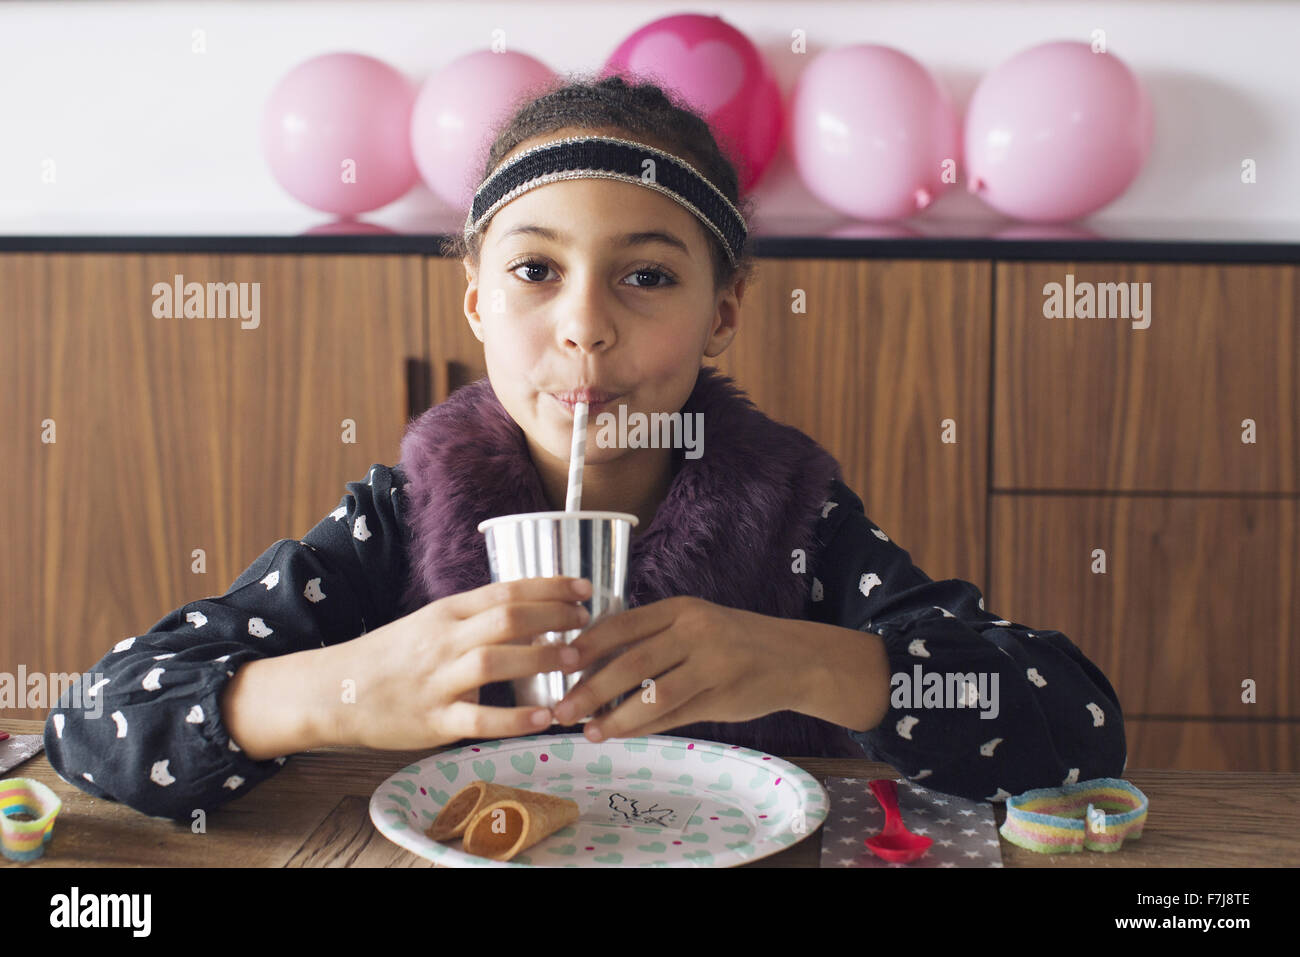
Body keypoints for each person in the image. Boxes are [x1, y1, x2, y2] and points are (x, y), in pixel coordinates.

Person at [44, 74, 1126, 823]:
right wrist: (338, 691)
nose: (584, 326)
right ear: (473, 300)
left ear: (722, 313)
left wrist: (809, 662)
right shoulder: (395, 524)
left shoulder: (798, 521)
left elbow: (1071, 724)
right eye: (534, 272)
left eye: (647, 275)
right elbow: (94, 725)